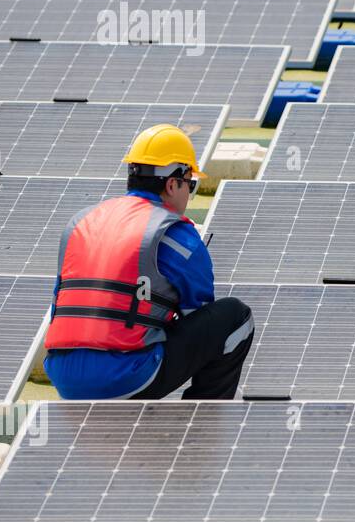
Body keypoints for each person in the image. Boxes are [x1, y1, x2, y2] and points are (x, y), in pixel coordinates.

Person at [43, 124, 254, 399]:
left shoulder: (79, 223)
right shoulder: (175, 234)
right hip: (126, 377)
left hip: (64, 376)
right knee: (234, 317)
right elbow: (198, 317)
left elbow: (62, 305)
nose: (189, 194)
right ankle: (199, 423)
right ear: (172, 183)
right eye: (190, 185)